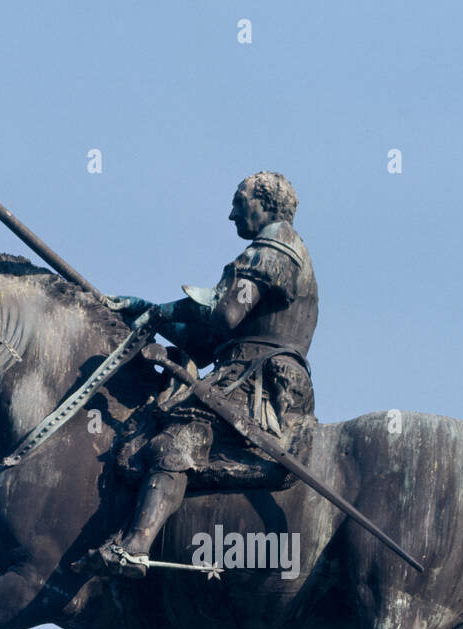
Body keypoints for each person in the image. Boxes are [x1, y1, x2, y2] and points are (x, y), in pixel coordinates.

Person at [78, 170, 319, 578]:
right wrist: (147, 312)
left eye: (239, 203)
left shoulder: (276, 248)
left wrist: (162, 310)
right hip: (243, 369)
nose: (231, 215)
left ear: (266, 203)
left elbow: (226, 313)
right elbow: (208, 341)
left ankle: (135, 547)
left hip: (260, 382)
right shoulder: (269, 251)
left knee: (180, 436)